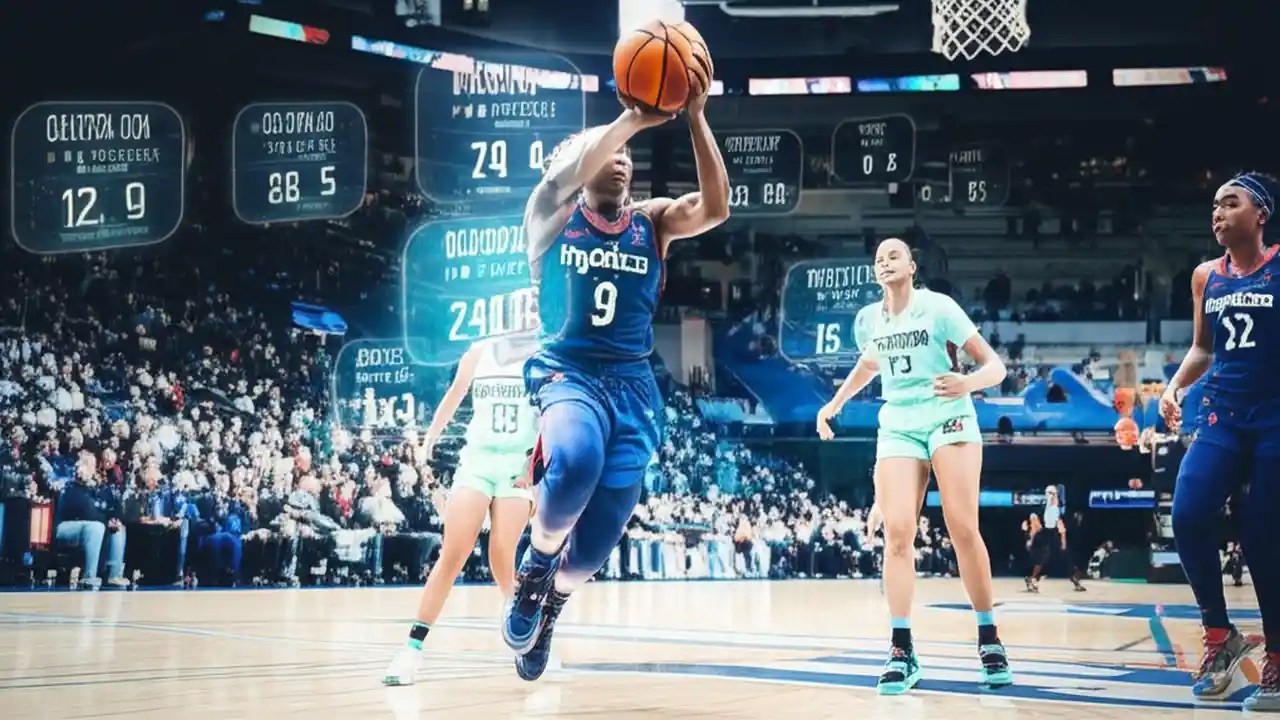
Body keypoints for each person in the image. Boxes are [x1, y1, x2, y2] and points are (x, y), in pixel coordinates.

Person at [501, 80, 730, 682]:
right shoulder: (550, 213)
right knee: (575, 460)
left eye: (628, 153)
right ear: (580, 165)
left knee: (595, 549)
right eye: (610, 150)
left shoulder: (651, 222)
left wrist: (696, 117)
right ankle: (534, 568)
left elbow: (715, 208)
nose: (622, 157)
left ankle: (554, 602)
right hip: (568, 371)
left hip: (632, 385)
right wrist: (631, 118)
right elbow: (566, 175)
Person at [816, 238, 1011, 695]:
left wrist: (966, 382)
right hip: (900, 423)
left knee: (963, 527)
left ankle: (989, 637)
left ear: (912, 267)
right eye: (878, 258)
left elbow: (996, 367)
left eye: (894, 256)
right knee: (899, 533)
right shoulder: (870, 320)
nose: (884, 262)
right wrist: (834, 404)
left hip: (949, 414)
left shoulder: (938, 307)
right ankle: (902, 650)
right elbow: (868, 365)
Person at [1159, 172, 1279, 710]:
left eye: (1230, 203)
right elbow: (1203, 349)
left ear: (1261, 215)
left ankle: (1276, 655)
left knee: (1262, 536)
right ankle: (1220, 636)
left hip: (1275, 418)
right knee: (1187, 514)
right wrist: (1174, 387)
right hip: (1221, 416)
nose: (1218, 213)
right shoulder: (1206, 276)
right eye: (1214, 205)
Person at [383, 332, 541, 686]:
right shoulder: (479, 352)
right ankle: (411, 649)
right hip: (477, 461)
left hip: (518, 464)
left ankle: (525, 634)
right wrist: (430, 438)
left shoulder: (542, 356)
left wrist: (537, 466)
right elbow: (455, 393)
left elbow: (548, 415)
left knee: (501, 553)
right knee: (453, 553)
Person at [1025, 485, 1085, 593]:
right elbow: (1035, 525)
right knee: (1042, 560)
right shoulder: (1041, 509)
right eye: (1051, 494)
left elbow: (1060, 526)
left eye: (1055, 494)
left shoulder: (1057, 509)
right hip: (1043, 535)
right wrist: (1031, 539)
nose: (1054, 496)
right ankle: (1032, 579)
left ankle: (1075, 581)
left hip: (1053, 534)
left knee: (1066, 558)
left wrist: (1063, 541)